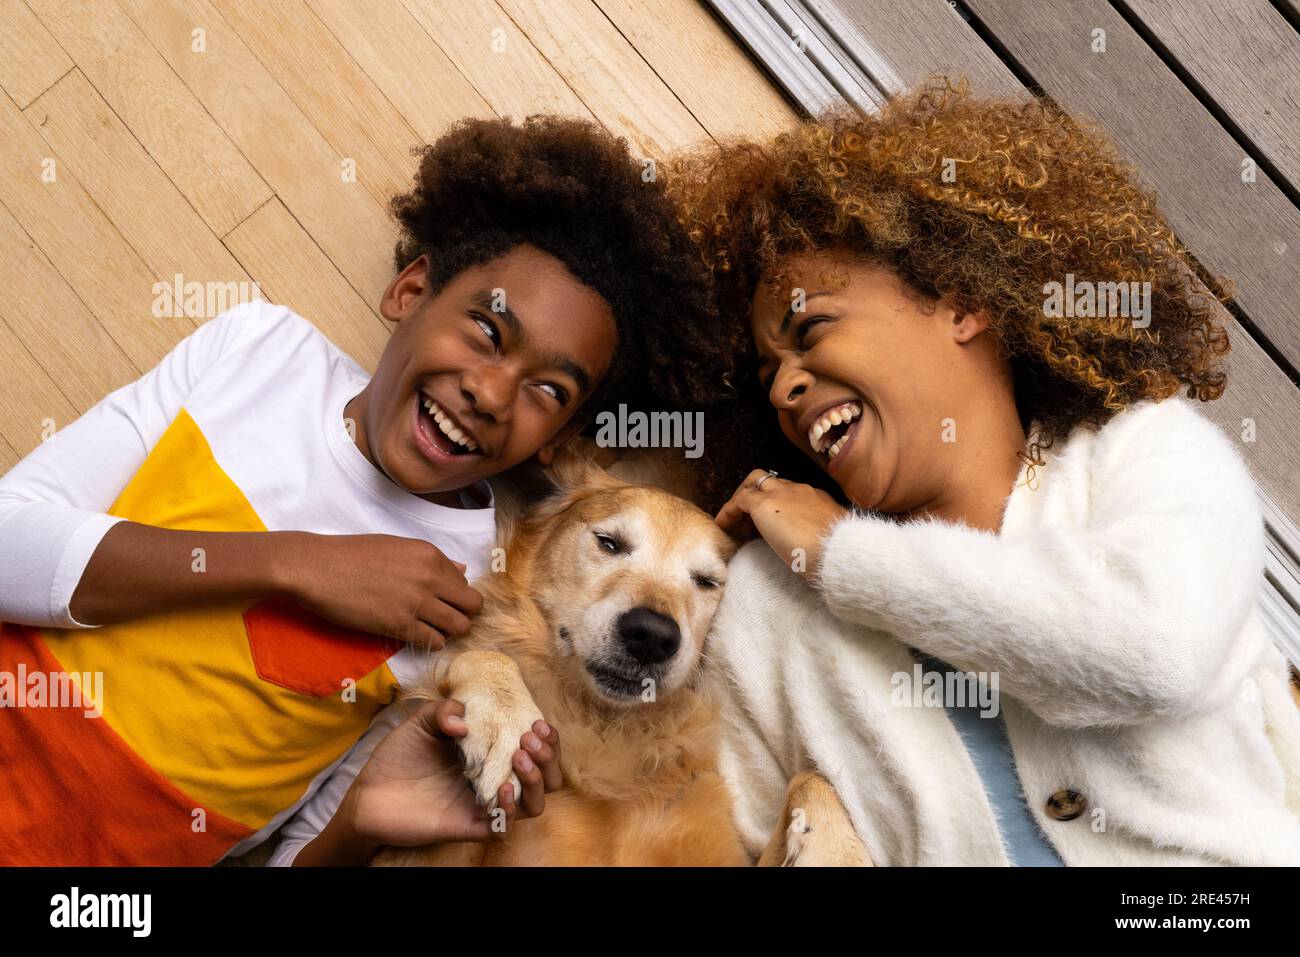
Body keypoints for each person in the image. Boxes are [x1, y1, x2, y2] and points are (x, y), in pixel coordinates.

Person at [0, 115, 724, 866]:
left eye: (545, 388)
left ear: (557, 439)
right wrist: (294, 564)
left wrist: (362, 824)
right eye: (485, 330)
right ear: (411, 291)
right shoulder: (260, 353)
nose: (491, 393)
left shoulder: (471, 594)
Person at [668, 79, 1300, 865]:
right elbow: (728, 842)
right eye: (768, 372)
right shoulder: (768, 604)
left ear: (962, 302)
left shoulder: (1147, 456)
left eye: (812, 328)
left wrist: (843, 558)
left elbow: (1155, 652)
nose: (785, 386)